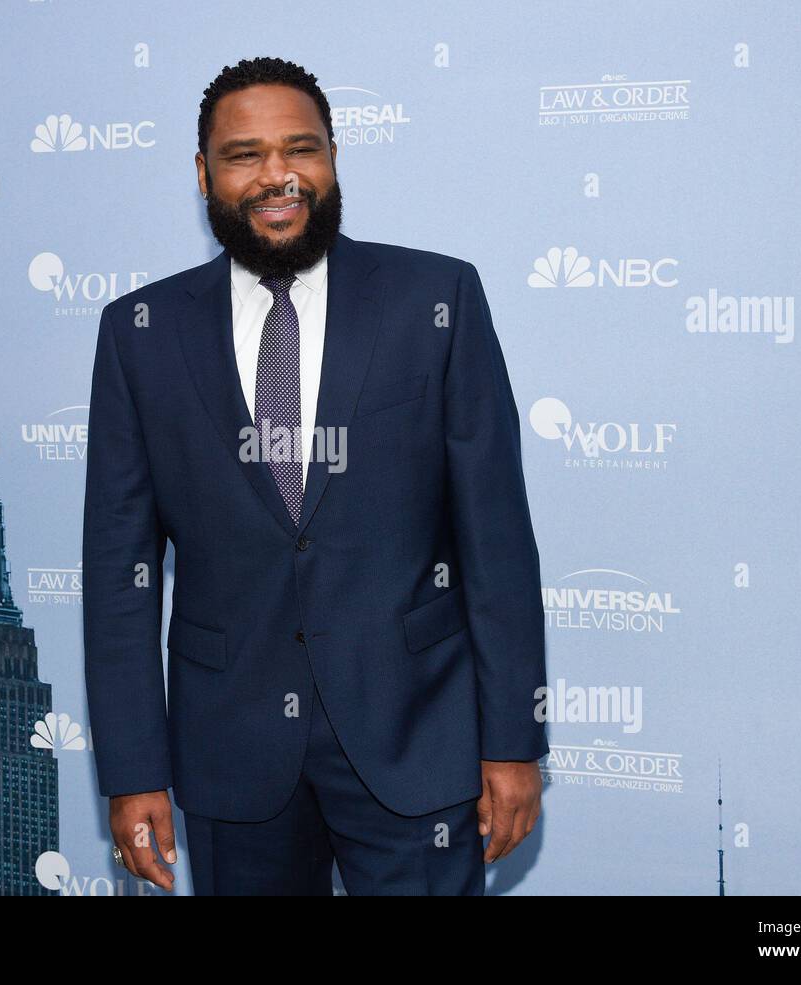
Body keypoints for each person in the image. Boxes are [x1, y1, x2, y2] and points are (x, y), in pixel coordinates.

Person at [82, 56, 548, 895]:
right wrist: (132, 768)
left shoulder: (435, 299)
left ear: (332, 158)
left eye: (301, 149)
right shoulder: (140, 333)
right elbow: (120, 574)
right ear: (203, 174)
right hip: (232, 752)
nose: (277, 176)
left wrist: (513, 741)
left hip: (416, 736)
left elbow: (498, 542)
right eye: (243, 154)